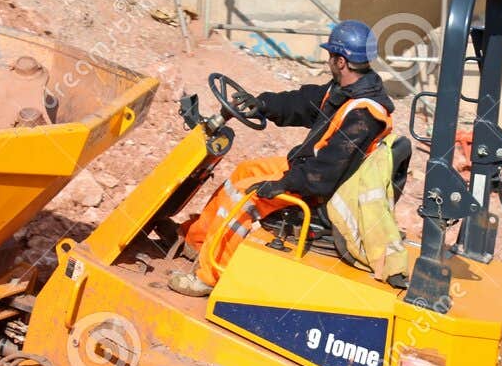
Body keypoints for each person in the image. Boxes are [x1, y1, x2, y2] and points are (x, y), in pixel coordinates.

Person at [170, 19, 409, 297]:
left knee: (246, 197)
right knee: (244, 172)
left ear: (341, 61)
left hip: (321, 190)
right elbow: (302, 102)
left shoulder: (364, 114)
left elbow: (325, 173)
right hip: (307, 169)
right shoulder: (344, 91)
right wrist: (263, 104)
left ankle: (208, 276)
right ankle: (197, 242)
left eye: (331, 56)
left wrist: (284, 184)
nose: (328, 60)